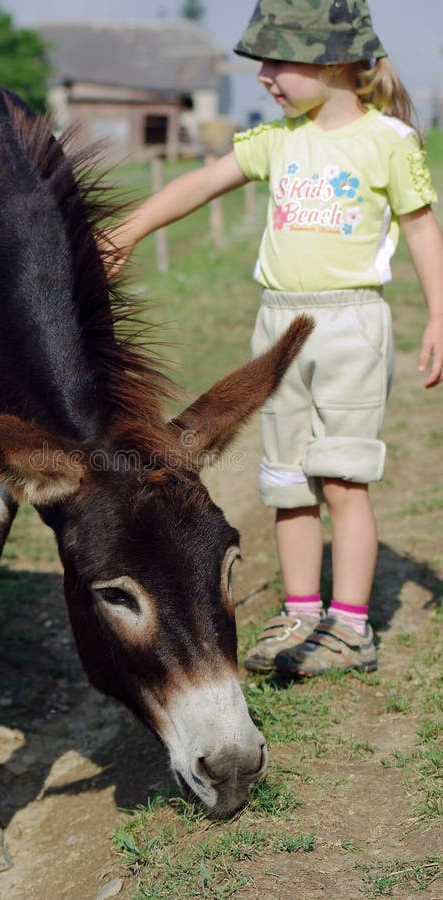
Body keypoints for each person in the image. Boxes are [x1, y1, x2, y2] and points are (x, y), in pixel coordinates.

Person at [102, 0, 443, 676]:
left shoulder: (389, 141)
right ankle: (301, 613)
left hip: (351, 325)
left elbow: (421, 229)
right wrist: (128, 230)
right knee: (287, 482)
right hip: (279, 327)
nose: (263, 74)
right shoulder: (277, 139)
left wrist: (439, 313)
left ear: (336, 60)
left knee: (343, 478)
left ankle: (350, 629)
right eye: (261, 60)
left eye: (278, 59)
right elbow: (201, 182)